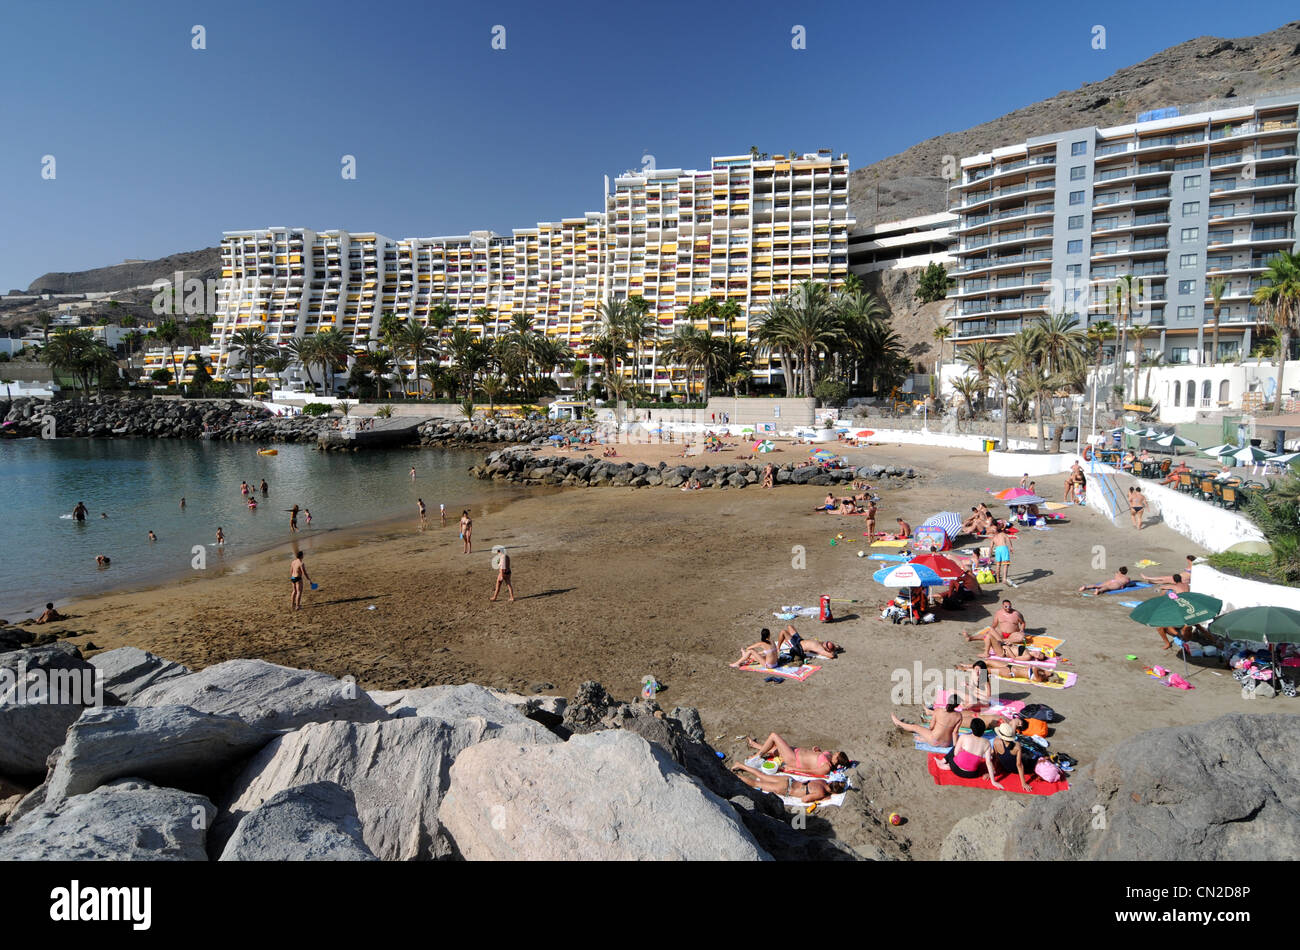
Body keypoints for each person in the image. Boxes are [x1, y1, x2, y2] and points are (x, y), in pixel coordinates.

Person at [934, 718, 1003, 788]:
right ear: (983, 731)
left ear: (971, 729)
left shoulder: (964, 737)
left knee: (955, 748)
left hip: (956, 769)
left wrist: (962, 751)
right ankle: (945, 763)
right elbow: (988, 762)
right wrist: (993, 781)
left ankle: (943, 762)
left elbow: (955, 753)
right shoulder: (987, 743)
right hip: (972, 774)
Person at [730, 764, 845, 803]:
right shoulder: (821, 792)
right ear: (833, 792)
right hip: (786, 788)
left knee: (762, 776)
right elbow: (804, 800)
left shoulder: (823, 781)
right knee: (756, 784)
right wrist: (823, 797)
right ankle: (734, 776)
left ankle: (740, 765)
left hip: (789, 780)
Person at [744, 733, 849, 776]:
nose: (834, 753)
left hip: (794, 759)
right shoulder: (829, 756)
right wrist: (817, 751)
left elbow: (811, 772)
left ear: (837, 760)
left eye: (836, 754)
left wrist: (793, 769)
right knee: (776, 749)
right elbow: (816, 758)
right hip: (796, 752)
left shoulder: (826, 767)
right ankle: (755, 745)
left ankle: (755, 757)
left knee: (774, 736)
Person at [891, 695, 961, 749]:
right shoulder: (959, 716)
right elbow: (955, 733)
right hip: (946, 744)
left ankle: (898, 723)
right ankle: (925, 739)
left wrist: (929, 734)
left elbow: (931, 727)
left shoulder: (938, 711)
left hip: (934, 741)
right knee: (931, 735)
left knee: (916, 727)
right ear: (957, 705)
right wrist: (955, 747)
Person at [990, 719, 1031, 791]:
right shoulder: (1017, 745)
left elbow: (995, 758)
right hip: (1015, 769)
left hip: (1006, 768)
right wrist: (1023, 783)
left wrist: (992, 771)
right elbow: (1019, 765)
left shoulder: (996, 742)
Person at [774, 625, 839, 660]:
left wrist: (831, 652)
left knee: (783, 632)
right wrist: (835, 647)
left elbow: (831, 656)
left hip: (797, 646)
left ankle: (778, 648)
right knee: (790, 626)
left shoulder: (820, 649)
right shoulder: (822, 644)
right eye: (827, 642)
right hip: (800, 640)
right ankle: (788, 639)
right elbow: (835, 647)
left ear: (827, 649)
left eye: (827, 645)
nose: (825, 643)